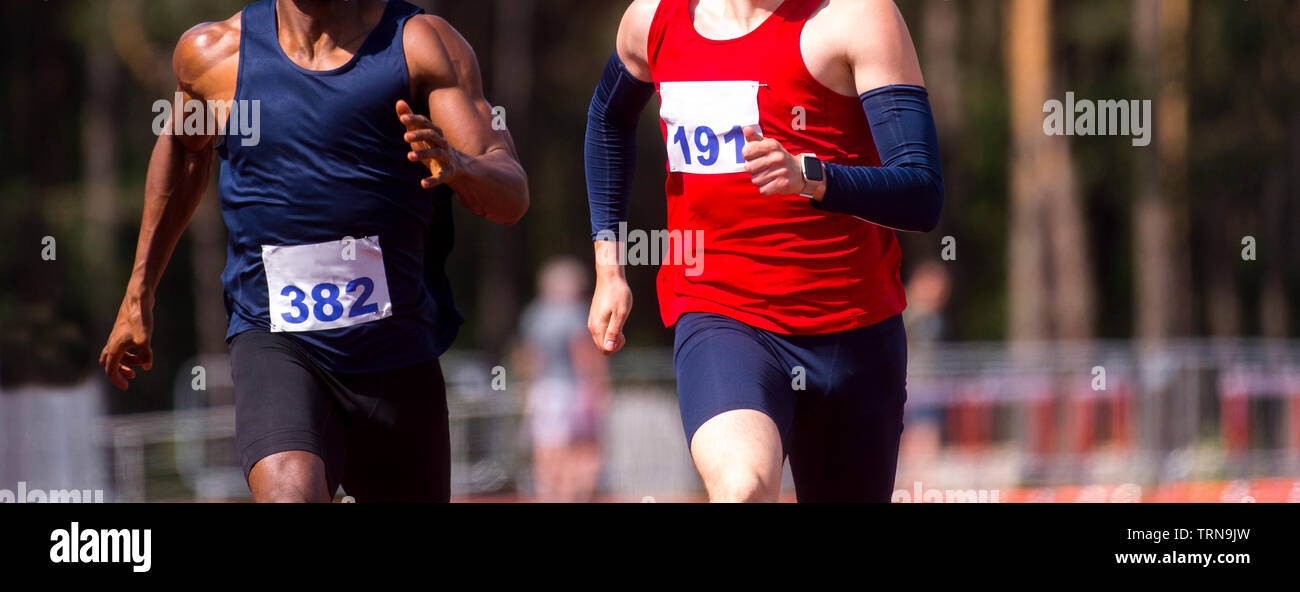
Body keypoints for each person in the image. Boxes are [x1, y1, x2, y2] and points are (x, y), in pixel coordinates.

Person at [98, 0, 528, 502]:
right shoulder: (215, 54)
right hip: (276, 338)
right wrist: (138, 293)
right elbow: (183, 154)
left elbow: (511, 195)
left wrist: (460, 167)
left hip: (395, 350)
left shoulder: (419, 45)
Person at [585, 0, 943, 501]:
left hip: (853, 331)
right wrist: (609, 266)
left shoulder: (854, 17)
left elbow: (922, 194)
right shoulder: (652, 20)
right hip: (721, 313)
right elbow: (608, 117)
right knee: (741, 486)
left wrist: (811, 178)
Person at [517, 258, 610, 502]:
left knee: (545, 454)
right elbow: (584, 356)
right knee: (581, 453)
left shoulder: (534, 314)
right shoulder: (576, 314)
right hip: (572, 392)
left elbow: (529, 358)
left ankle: (549, 496)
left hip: (543, 391)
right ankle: (571, 497)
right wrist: (597, 389)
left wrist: (528, 392)